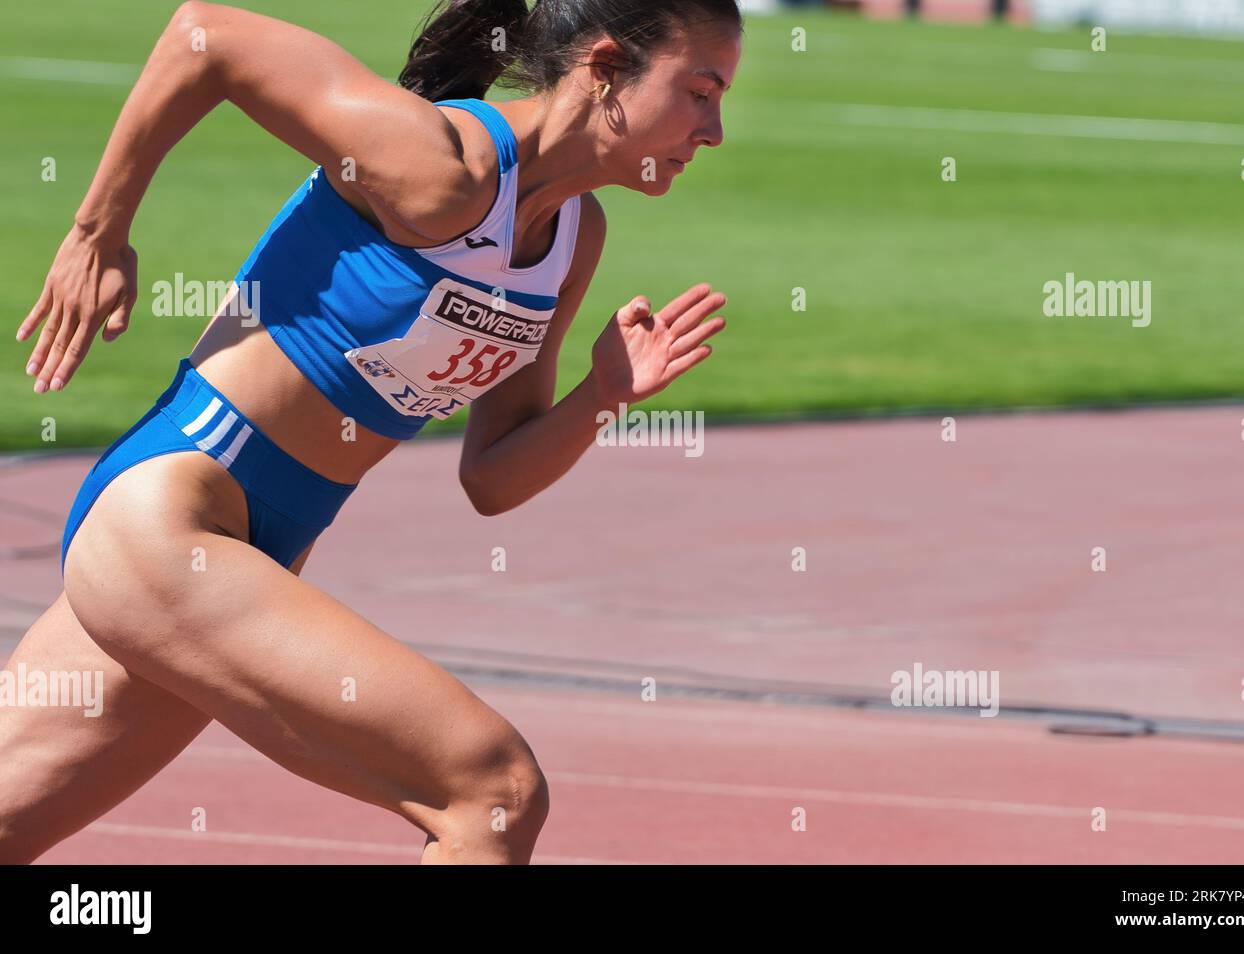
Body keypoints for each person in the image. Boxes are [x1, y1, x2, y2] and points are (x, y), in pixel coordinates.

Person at [0, 0, 741, 864]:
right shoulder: (445, 169)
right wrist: (99, 232)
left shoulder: (571, 239)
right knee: (494, 792)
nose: (716, 129)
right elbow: (205, 36)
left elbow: (493, 478)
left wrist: (603, 394)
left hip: (255, 555)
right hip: (169, 522)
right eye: (699, 91)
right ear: (607, 68)